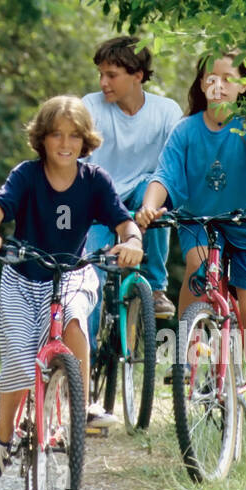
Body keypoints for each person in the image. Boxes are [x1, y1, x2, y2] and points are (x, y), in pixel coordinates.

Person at [0, 95, 143, 480]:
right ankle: (2, 435)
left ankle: (78, 410)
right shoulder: (27, 174)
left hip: (73, 271)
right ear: (42, 139)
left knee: (75, 324)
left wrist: (132, 241)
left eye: (74, 136)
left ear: (85, 141)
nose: (65, 144)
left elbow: (122, 219)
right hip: (23, 275)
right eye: (55, 135)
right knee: (17, 361)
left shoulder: (95, 179)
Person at [136, 52, 246, 429]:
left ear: (243, 86)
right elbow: (165, 176)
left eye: (226, 78)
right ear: (201, 83)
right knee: (196, 267)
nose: (217, 85)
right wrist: (148, 207)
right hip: (200, 222)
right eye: (210, 78)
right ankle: (188, 357)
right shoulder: (186, 130)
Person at [81, 36, 182, 324]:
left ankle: (155, 287)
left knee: (153, 195)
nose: (103, 82)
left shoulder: (166, 112)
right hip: (99, 202)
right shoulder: (90, 106)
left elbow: (172, 170)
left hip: (142, 196)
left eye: (111, 75)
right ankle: (83, 362)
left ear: (138, 75)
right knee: (90, 282)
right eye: (101, 74)